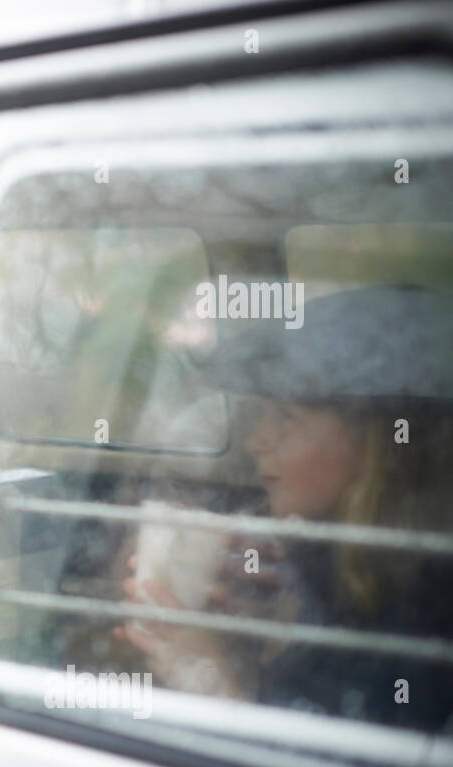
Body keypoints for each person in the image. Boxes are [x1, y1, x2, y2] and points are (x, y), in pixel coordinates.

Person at [117, 284, 453, 730]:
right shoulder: (324, 563)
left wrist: (209, 680)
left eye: (287, 418)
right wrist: (249, 639)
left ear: (374, 445)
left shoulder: (425, 619)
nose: (257, 441)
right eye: (263, 415)